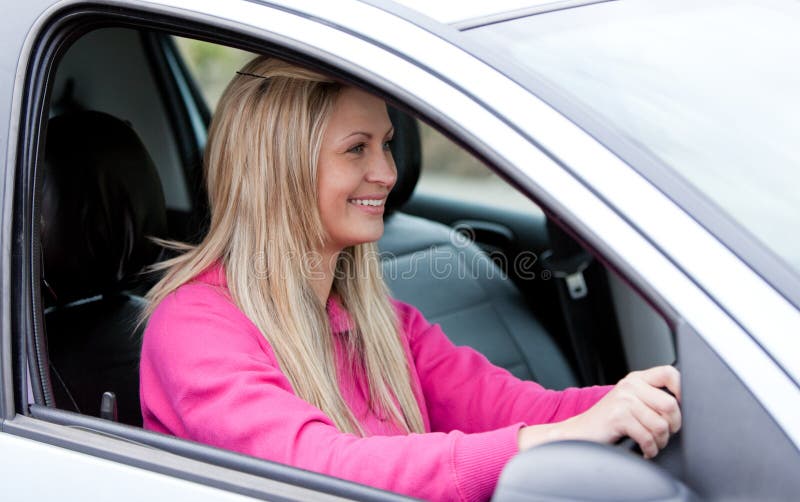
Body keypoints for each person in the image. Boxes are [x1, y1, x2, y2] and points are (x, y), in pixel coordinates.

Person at [139, 56, 681, 501]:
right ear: (281, 166)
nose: (389, 173)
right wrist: (550, 440)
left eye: (387, 143)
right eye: (358, 149)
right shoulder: (192, 327)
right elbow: (315, 469)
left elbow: (512, 405)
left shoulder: (381, 321)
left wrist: (638, 400)